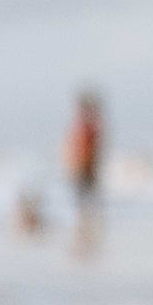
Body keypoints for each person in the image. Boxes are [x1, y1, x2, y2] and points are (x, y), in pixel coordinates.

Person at [66, 88, 106, 216]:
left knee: (87, 194)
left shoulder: (89, 126)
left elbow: (93, 146)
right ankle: (86, 216)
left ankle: (87, 217)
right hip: (84, 164)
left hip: (87, 164)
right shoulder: (86, 126)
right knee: (85, 194)